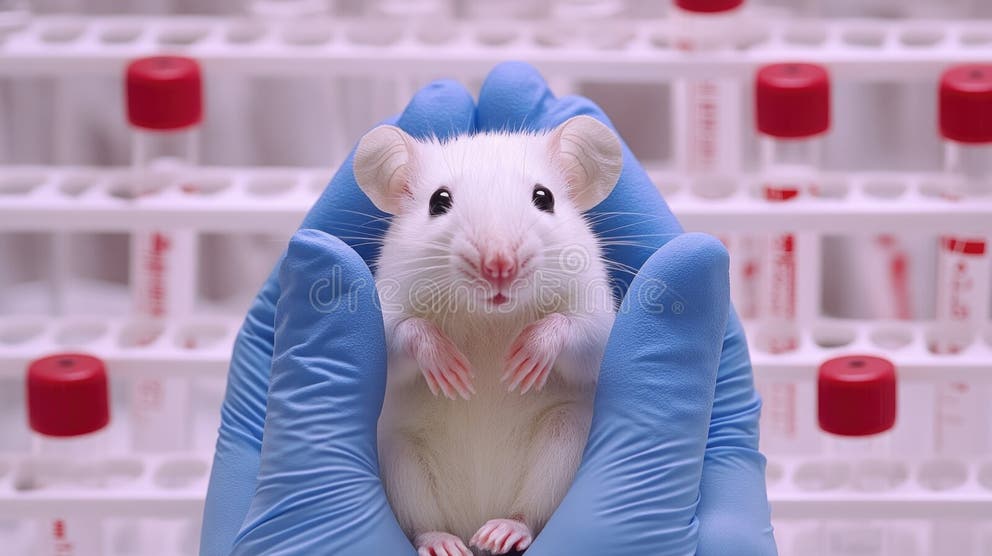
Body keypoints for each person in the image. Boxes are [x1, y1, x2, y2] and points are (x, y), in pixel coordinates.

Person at [199, 61, 777, 556]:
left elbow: (598, 350)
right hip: (431, 466)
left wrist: (561, 333)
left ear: (574, 192)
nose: (498, 259)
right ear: (400, 197)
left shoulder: (578, 263)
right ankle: (425, 530)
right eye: (442, 203)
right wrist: (414, 339)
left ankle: (526, 520)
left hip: (537, 455)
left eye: (542, 198)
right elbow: (380, 364)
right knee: (397, 444)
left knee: (569, 425)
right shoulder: (402, 267)